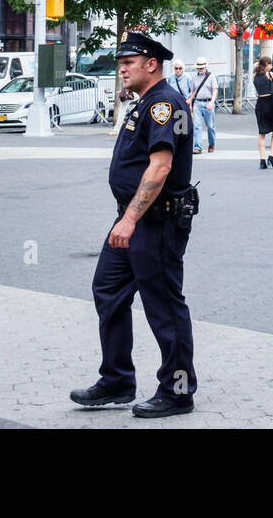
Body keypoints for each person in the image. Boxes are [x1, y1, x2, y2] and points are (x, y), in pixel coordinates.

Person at [72, 31, 197, 418]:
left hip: (153, 222)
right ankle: (117, 380)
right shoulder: (145, 103)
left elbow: (160, 168)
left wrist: (129, 219)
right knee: (107, 291)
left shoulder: (165, 105)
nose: (121, 69)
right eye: (120, 63)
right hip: (132, 218)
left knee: (163, 305)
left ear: (151, 64)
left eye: (128, 62)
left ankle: (177, 391)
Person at [186, 57, 217, 155]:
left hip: (208, 102)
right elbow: (193, 91)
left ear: (205, 67)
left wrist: (212, 102)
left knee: (210, 126)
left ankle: (211, 143)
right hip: (198, 103)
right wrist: (190, 102)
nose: (200, 69)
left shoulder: (211, 76)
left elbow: (214, 90)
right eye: (199, 68)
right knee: (197, 125)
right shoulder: (194, 78)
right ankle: (197, 147)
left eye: (202, 68)